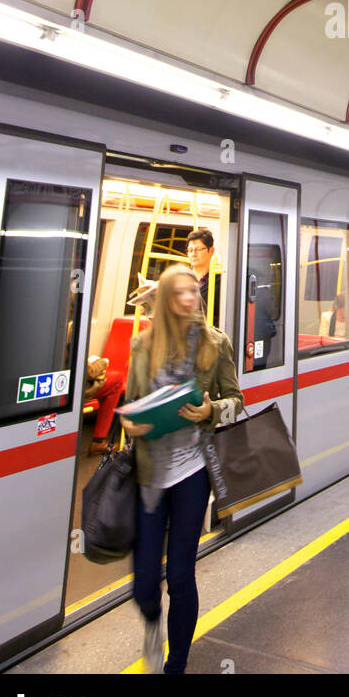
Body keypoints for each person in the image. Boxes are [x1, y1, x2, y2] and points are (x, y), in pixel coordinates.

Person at [120, 264, 243, 674]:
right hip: (150, 475)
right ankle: (152, 626)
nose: (190, 299)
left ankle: (177, 664)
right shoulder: (143, 346)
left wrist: (211, 410)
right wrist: (131, 422)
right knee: (144, 587)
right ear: (165, 300)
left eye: (195, 292)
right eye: (181, 293)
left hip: (193, 473)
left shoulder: (215, 343)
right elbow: (131, 403)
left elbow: (236, 400)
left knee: (181, 574)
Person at [86, 355, 126, 456]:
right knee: (117, 379)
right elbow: (89, 372)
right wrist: (102, 362)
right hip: (76, 391)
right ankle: (98, 441)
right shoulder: (65, 340)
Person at [185, 229, 217, 316]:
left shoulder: (219, 282)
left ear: (211, 251)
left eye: (198, 249)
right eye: (190, 250)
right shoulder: (181, 278)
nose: (193, 254)